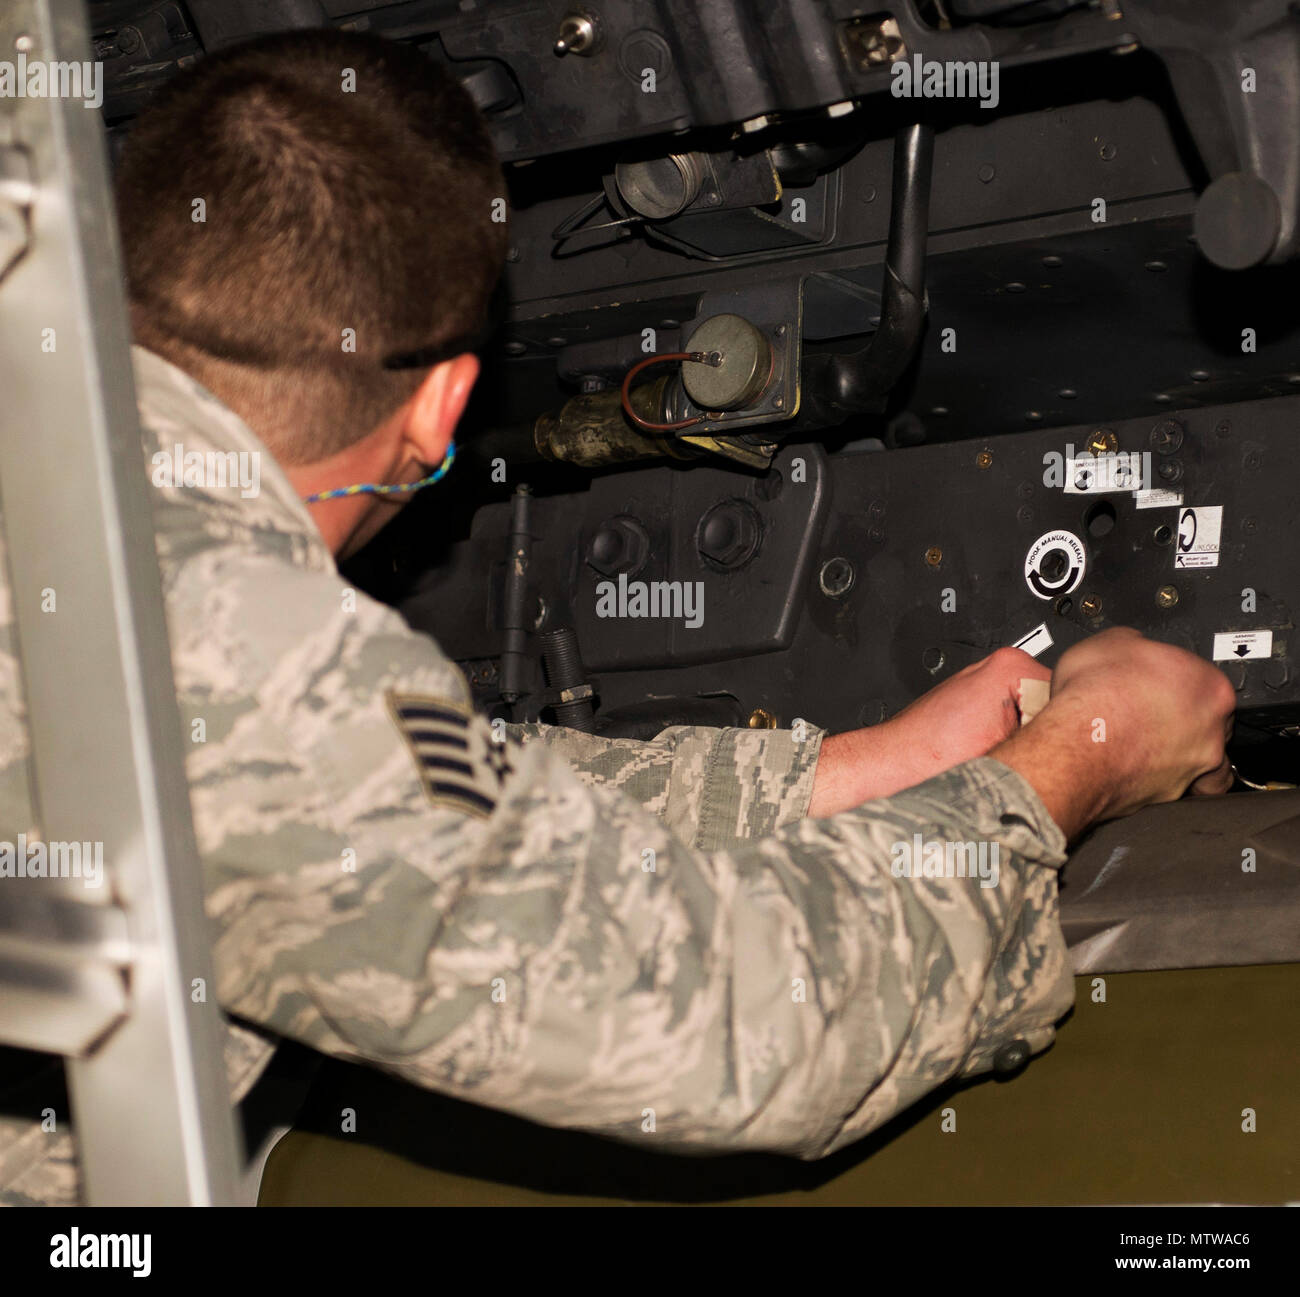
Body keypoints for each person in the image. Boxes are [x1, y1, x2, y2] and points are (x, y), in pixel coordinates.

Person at [0, 28, 1235, 1205]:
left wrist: (871, 769)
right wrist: (1079, 761)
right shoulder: (229, 650)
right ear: (442, 410)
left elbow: (432, 806)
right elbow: (744, 1025)